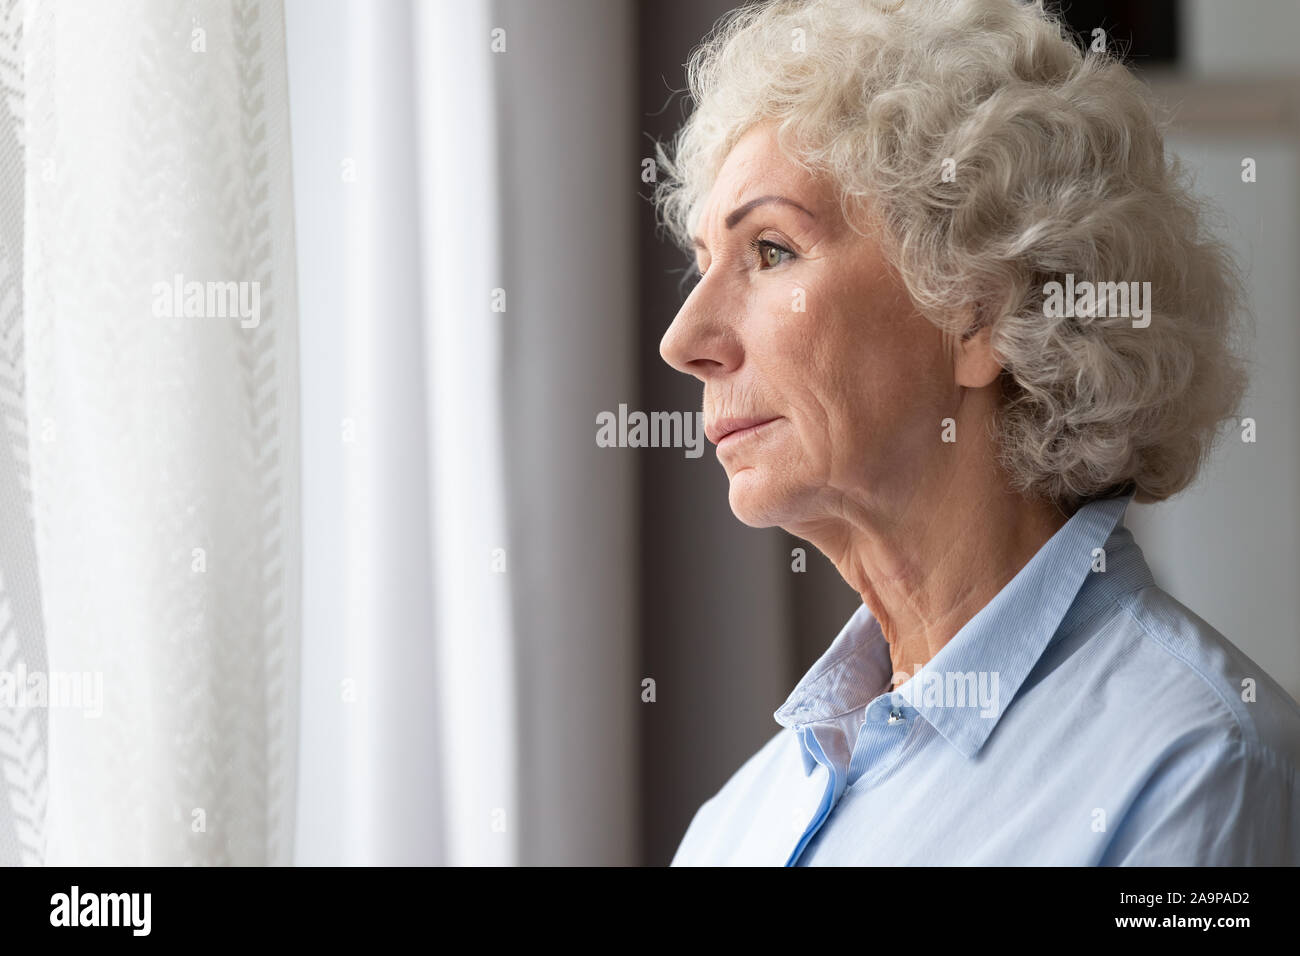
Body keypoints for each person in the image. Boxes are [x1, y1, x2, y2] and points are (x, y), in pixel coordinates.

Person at [654, 0, 1300, 865]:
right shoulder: (732, 827)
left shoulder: (1202, 769)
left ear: (979, 309)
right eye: (704, 265)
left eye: (771, 251)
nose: (683, 341)